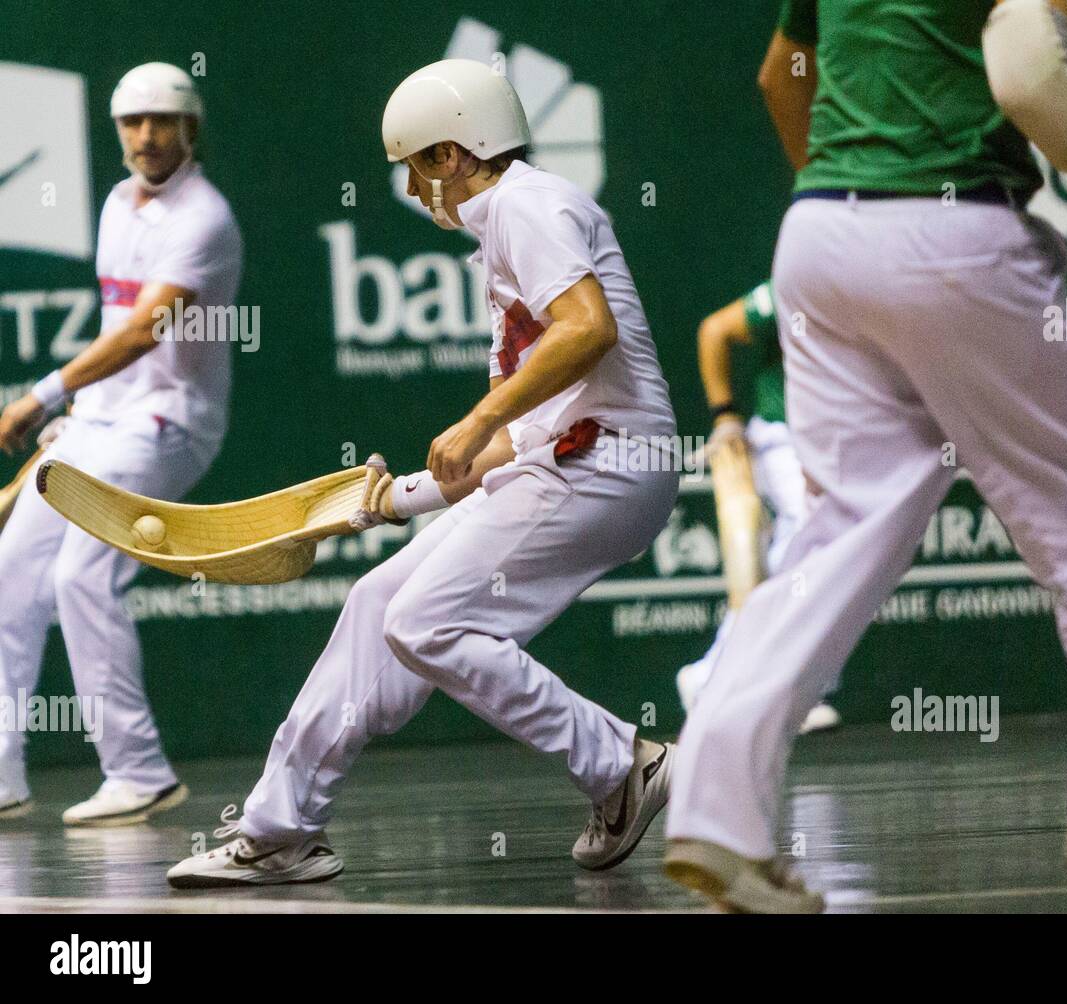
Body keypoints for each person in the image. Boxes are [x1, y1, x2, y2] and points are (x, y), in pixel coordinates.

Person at [663, 0, 1067, 913]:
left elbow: (779, 72)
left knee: (829, 543)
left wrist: (852, 199)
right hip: (955, 240)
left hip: (820, 236)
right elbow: (1037, 77)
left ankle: (716, 818)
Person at [166, 59, 680, 887]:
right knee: (379, 604)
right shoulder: (502, 237)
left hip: (610, 462)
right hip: (569, 457)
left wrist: (481, 417)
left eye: (413, 166)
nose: (410, 189)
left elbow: (591, 330)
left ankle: (622, 762)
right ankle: (280, 832)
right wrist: (395, 498)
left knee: (426, 622)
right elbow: (513, 439)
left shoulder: (529, 206)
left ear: (449, 155)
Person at [0, 62, 242, 825]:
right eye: (132, 123)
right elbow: (114, 327)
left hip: (171, 426)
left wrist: (41, 397)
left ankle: (138, 771)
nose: (146, 136)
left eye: (161, 121)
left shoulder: (204, 218)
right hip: (104, 425)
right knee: (10, 573)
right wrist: (64, 433)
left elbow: (146, 331)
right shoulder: (115, 204)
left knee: (81, 574)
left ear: (189, 128)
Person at [677, 281, 840, 734]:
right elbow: (715, 330)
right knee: (813, 532)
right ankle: (779, 687)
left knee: (805, 558)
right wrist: (725, 415)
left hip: (835, 442)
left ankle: (715, 678)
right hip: (782, 438)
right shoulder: (791, 290)